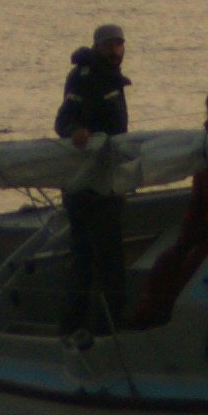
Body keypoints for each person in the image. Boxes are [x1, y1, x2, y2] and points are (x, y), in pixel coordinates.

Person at [132, 78, 208, 329]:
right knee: (166, 262)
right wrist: (185, 241)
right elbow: (197, 200)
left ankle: (174, 321)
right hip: (202, 229)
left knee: (191, 266)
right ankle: (147, 318)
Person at [54, 23, 132, 332]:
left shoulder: (113, 78)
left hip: (108, 179)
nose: (115, 51)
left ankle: (104, 324)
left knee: (104, 257)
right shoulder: (84, 77)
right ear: (98, 46)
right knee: (94, 258)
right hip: (86, 185)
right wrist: (76, 131)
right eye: (110, 45)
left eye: (119, 44)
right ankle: (94, 327)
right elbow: (63, 119)